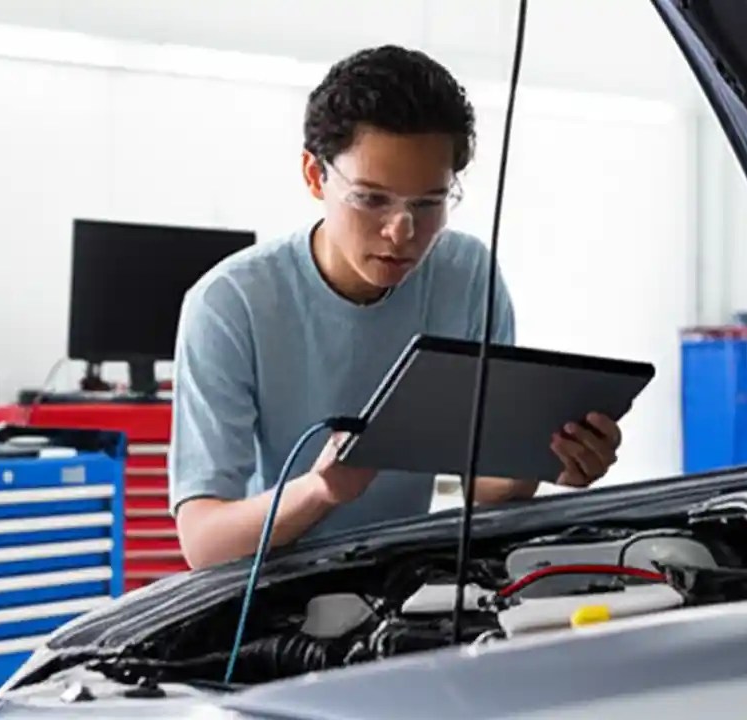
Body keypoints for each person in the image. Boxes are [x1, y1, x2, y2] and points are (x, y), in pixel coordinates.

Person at [168, 45, 623, 569]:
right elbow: (203, 541)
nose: (401, 233)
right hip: (274, 592)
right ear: (315, 177)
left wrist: (545, 462)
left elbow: (485, 483)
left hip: (406, 576)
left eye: (428, 204)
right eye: (371, 199)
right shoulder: (230, 304)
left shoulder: (467, 273)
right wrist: (319, 490)